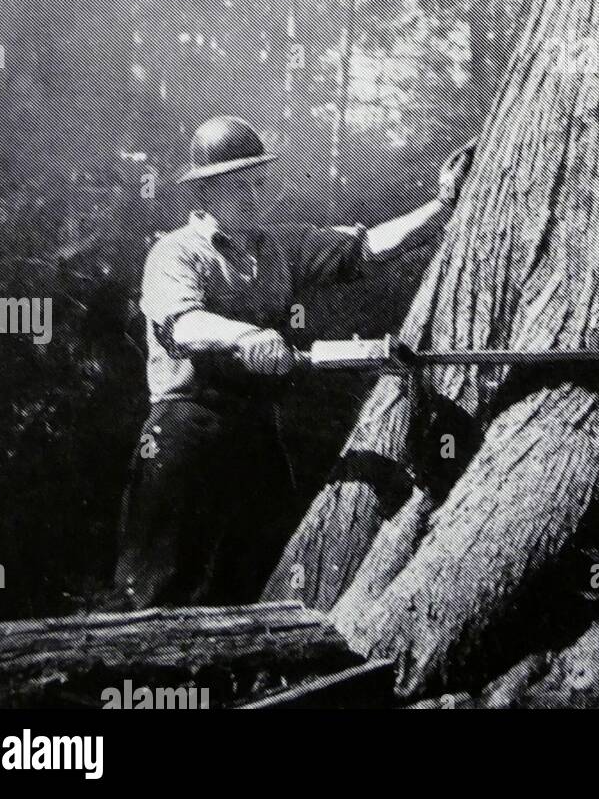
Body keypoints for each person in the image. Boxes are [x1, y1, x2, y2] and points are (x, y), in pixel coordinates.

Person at [112, 117, 474, 608]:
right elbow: (182, 324)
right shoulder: (176, 253)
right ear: (204, 193)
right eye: (239, 187)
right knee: (159, 586)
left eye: (258, 184)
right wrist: (248, 337)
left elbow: (362, 248)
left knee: (262, 571)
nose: (254, 196)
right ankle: (136, 678)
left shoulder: (277, 247)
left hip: (254, 430)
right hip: (185, 434)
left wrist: (443, 206)